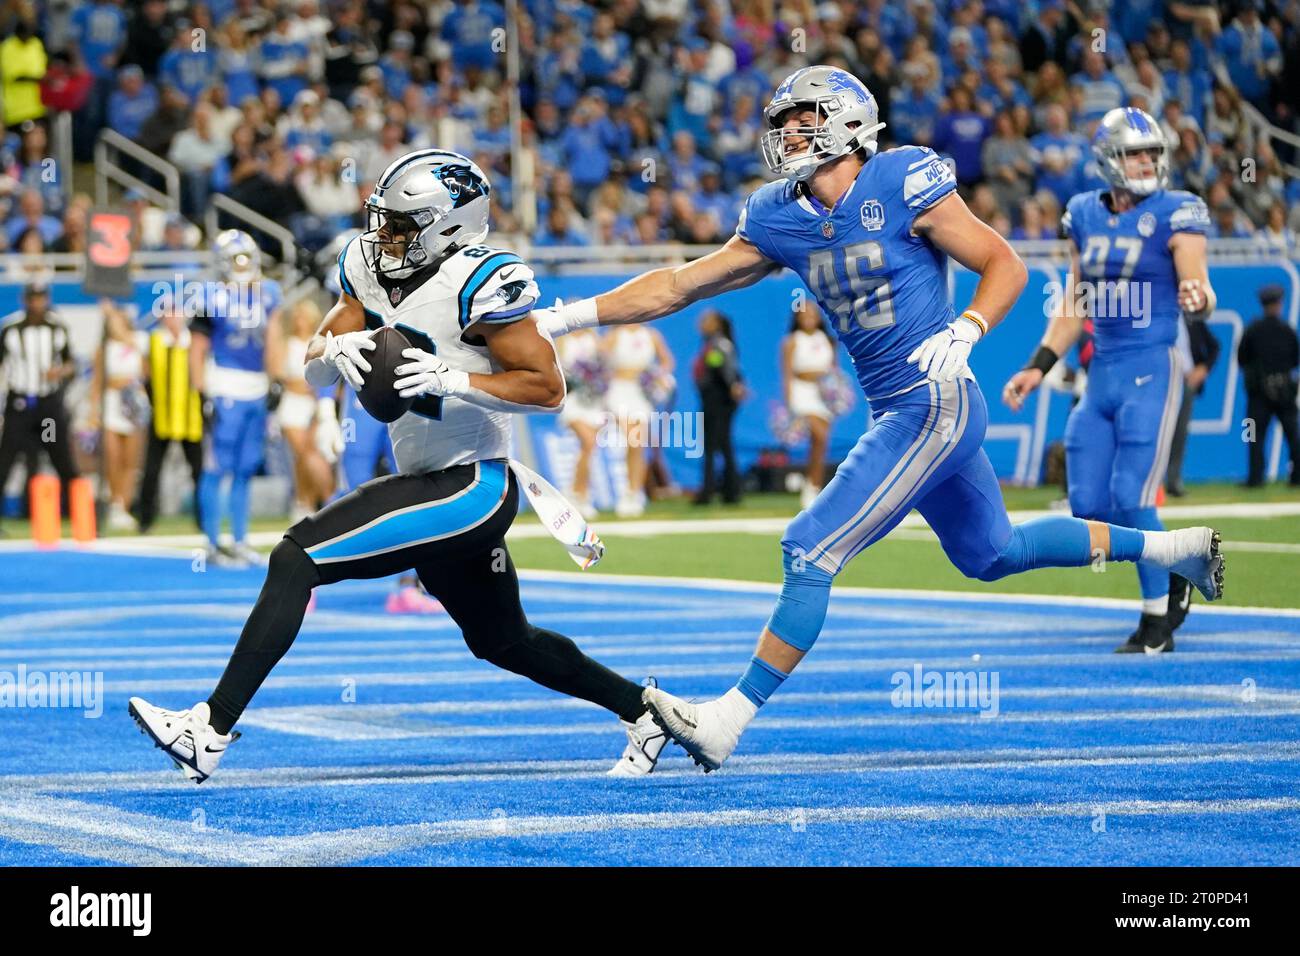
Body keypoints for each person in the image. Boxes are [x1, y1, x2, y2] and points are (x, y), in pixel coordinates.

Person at [537, 66, 1225, 773]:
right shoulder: (777, 215)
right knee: (993, 553)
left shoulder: (902, 179)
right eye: (784, 122)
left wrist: (969, 328)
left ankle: (727, 720)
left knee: (809, 547)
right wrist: (565, 316)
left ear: (844, 121)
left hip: (934, 402)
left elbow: (1003, 262)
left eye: (801, 119)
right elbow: (678, 284)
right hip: (898, 408)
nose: (786, 134)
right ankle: (1173, 551)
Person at [129, 150, 667, 783]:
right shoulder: (366, 265)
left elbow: (547, 389)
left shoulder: (483, 279)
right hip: (433, 479)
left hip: (472, 482)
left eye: (401, 225)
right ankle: (645, 711)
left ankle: (209, 731)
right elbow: (316, 349)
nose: (382, 236)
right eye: (381, 221)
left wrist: (454, 377)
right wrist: (334, 351)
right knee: (504, 641)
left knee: (296, 557)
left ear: (447, 226)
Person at [1006, 107, 1218, 653]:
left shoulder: (1178, 211)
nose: (1147, 163)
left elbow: (1197, 280)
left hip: (1153, 363)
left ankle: (1156, 622)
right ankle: (1177, 561)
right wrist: (1039, 364)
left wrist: (1199, 296)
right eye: (1136, 154)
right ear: (1108, 160)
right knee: (1088, 505)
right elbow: (1076, 298)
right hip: (1102, 370)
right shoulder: (1082, 212)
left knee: (1133, 494)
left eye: (1153, 153)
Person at [190, 229, 285, 567]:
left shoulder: (269, 293)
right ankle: (213, 542)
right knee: (217, 466)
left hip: (256, 387)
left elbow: (274, 337)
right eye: (236, 258)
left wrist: (276, 380)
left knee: (245, 468)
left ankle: (241, 539)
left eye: (246, 257)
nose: (243, 264)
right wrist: (200, 391)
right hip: (224, 385)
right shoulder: (208, 295)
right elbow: (197, 348)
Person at [0, 282, 80, 534]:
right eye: (33, 298)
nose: (37, 303)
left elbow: (70, 363)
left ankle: (80, 517)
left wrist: (60, 371)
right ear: (25, 300)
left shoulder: (56, 326)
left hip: (46, 407)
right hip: (20, 405)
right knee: (6, 460)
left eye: (41, 298)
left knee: (60, 457)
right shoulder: (10, 328)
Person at [134, 304, 204, 534]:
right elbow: (144, 370)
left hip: (190, 416)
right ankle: (145, 519)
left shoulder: (194, 341)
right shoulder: (153, 341)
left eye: (175, 312)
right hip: (162, 416)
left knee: (198, 472)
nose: (172, 318)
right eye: (168, 313)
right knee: (151, 470)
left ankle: (204, 520)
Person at [86, 299, 147, 531]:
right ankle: (114, 503)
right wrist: (94, 412)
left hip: (134, 406)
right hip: (112, 404)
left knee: (131, 460)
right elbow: (97, 382)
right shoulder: (104, 349)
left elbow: (145, 372)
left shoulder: (139, 341)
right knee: (112, 457)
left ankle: (125, 506)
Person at [602, 323, 672, 517]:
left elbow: (667, 361)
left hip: (641, 392)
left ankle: (634, 492)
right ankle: (627, 491)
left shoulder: (651, 334)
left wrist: (657, 375)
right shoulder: (615, 334)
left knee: (637, 444)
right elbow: (599, 358)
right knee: (629, 437)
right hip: (619, 390)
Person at [277, 299, 335, 521]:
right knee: (301, 454)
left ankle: (314, 500)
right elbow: (283, 377)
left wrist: (316, 390)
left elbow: (327, 378)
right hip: (292, 405)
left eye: (304, 316)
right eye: (297, 316)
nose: (300, 321)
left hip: (315, 406)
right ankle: (303, 501)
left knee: (313, 454)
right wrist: (308, 386)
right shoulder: (288, 343)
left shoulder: (319, 343)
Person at [1238, 284, 1299, 487]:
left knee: (1254, 436)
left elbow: (1242, 358)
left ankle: (1255, 478)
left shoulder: (1253, 330)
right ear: (1279, 304)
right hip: (1284, 392)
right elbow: (1295, 360)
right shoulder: (1287, 330)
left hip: (1259, 395)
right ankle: (1296, 476)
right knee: (1293, 435)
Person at [781, 301, 837, 509]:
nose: (808, 317)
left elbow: (835, 372)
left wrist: (837, 396)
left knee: (821, 443)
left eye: (812, 313)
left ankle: (813, 486)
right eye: (803, 314)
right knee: (819, 435)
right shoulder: (791, 341)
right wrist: (788, 403)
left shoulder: (828, 340)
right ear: (797, 318)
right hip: (801, 392)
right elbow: (786, 374)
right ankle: (811, 486)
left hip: (823, 395)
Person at [1165, 315, 1221, 498]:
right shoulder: (1156, 314)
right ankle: (1151, 486)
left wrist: (1203, 368)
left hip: (1185, 382)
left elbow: (1214, 345)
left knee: (1180, 433)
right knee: (1155, 434)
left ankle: (1173, 482)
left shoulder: (1191, 317)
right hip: (1160, 383)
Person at [553, 326, 607, 514]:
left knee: (589, 448)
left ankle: (578, 493)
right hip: (573, 400)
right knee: (588, 442)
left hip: (593, 401)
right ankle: (578, 493)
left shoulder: (593, 338)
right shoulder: (563, 340)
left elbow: (605, 362)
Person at [692, 309, 743, 505]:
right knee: (719, 445)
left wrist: (732, 386)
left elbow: (726, 369)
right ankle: (726, 490)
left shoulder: (719, 344)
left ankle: (717, 491)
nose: (701, 323)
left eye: (706, 320)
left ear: (717, 324)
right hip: (712, 398)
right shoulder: (710, 344)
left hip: (719, 400)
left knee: (717, 445)